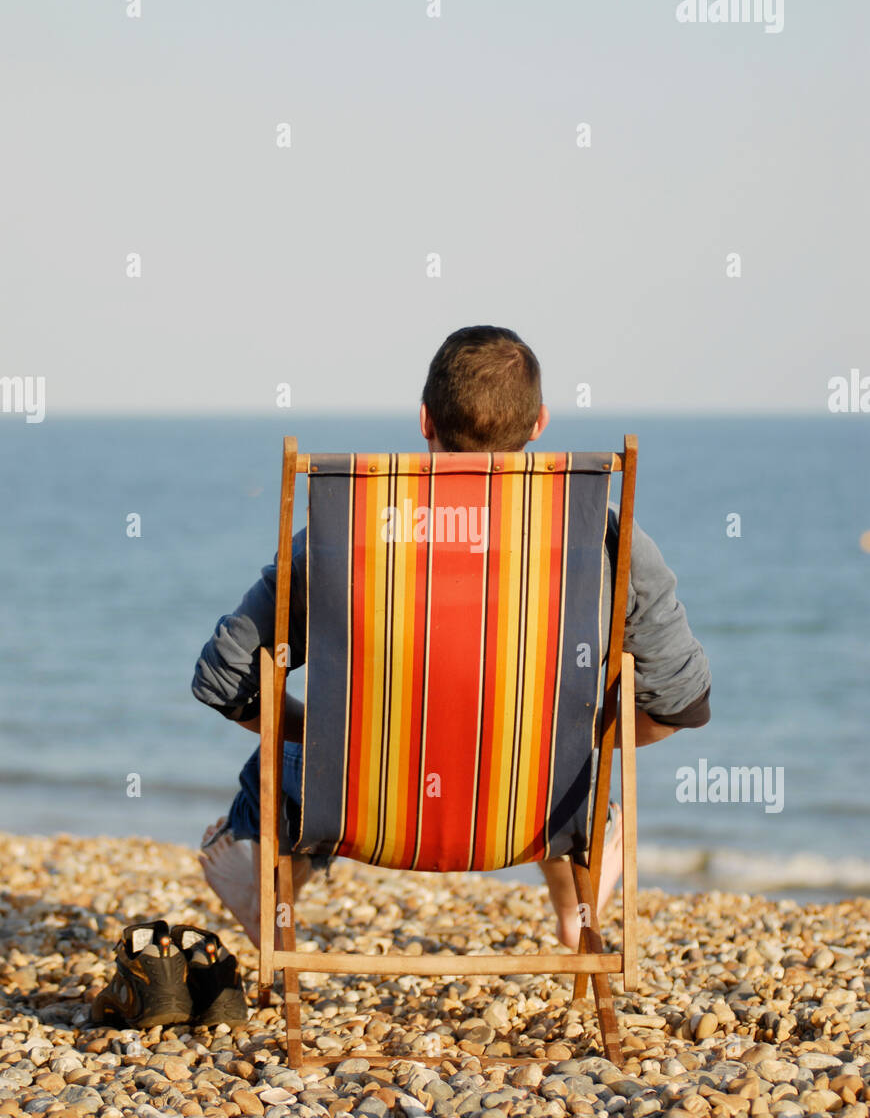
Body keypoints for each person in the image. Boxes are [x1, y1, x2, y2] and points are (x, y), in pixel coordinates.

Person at [192, 326, 711, 949]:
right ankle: (578, 913)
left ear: (423, 419)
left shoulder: (345, 535)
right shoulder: (602, 542)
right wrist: (569, 733)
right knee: (554, 734)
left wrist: (330, 728)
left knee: (283, 756)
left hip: (366, 800)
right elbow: (679, 707)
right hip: (538, 802)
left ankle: (270, 903)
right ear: (540, 422)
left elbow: (226, 681)